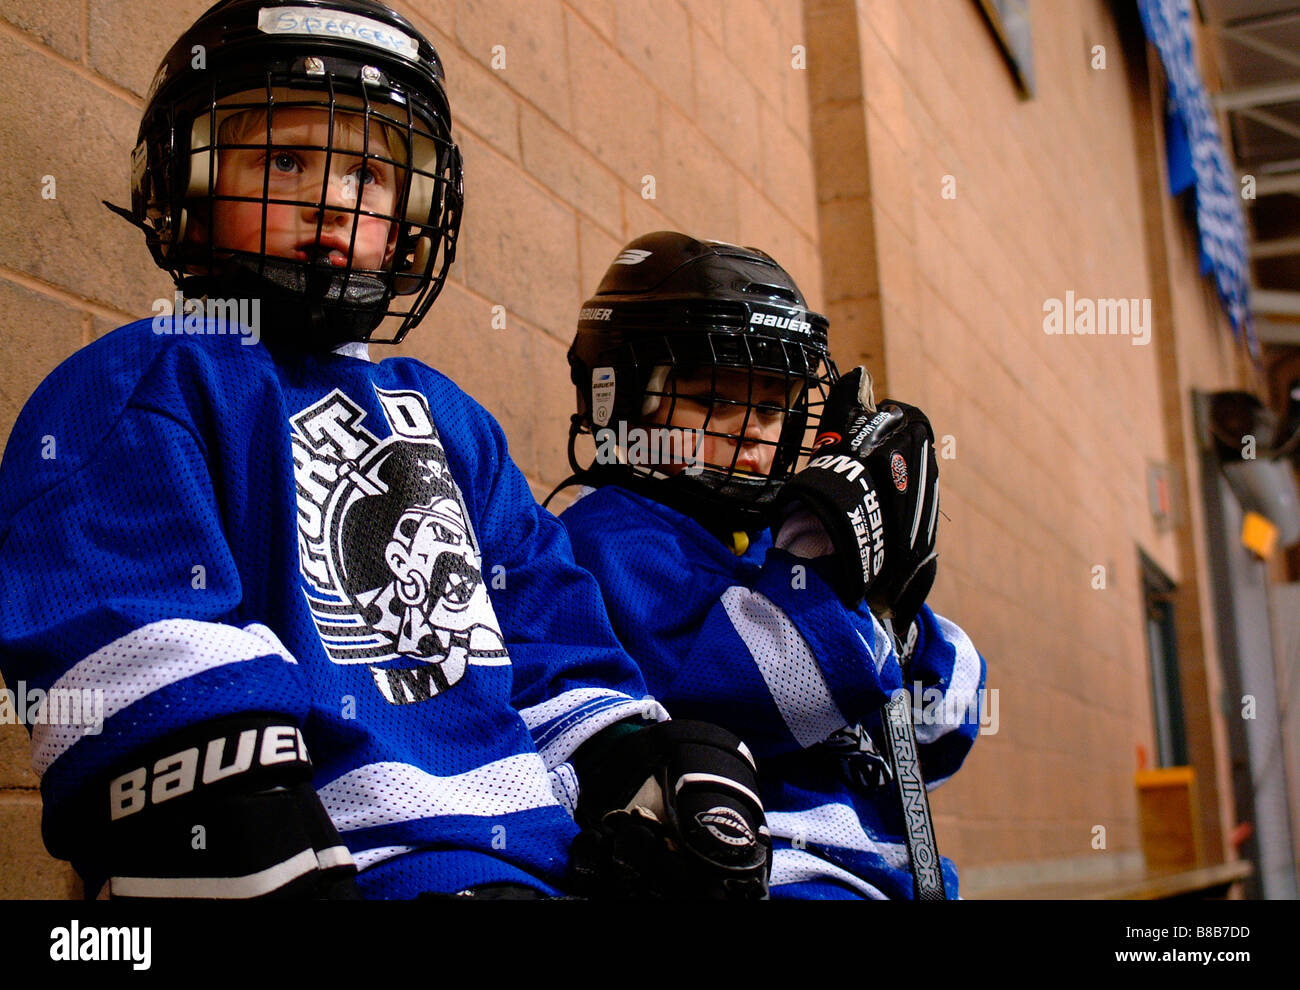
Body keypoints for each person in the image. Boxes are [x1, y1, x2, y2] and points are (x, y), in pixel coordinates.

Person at [0, 2, 769, 900]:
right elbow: (133, 633)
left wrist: (645, 760)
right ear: (189, 179)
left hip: (540, 863)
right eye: (287, 159)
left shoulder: (453, 421)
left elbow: (550, 638)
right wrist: (241, 839)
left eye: (370, 176)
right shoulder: (146, 379)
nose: (334, 200)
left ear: (409, 212)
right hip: (356, 864)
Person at [554, 231, 987, 899]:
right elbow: (755, 694)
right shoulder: (609, 537)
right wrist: (827, 565)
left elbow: (945, 727)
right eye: (718, 401)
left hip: (891, 880)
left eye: (770, 407)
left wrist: (898, 612)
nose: (752, 431)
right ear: (620, 397)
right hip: (773, 875)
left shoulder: (775, 544)